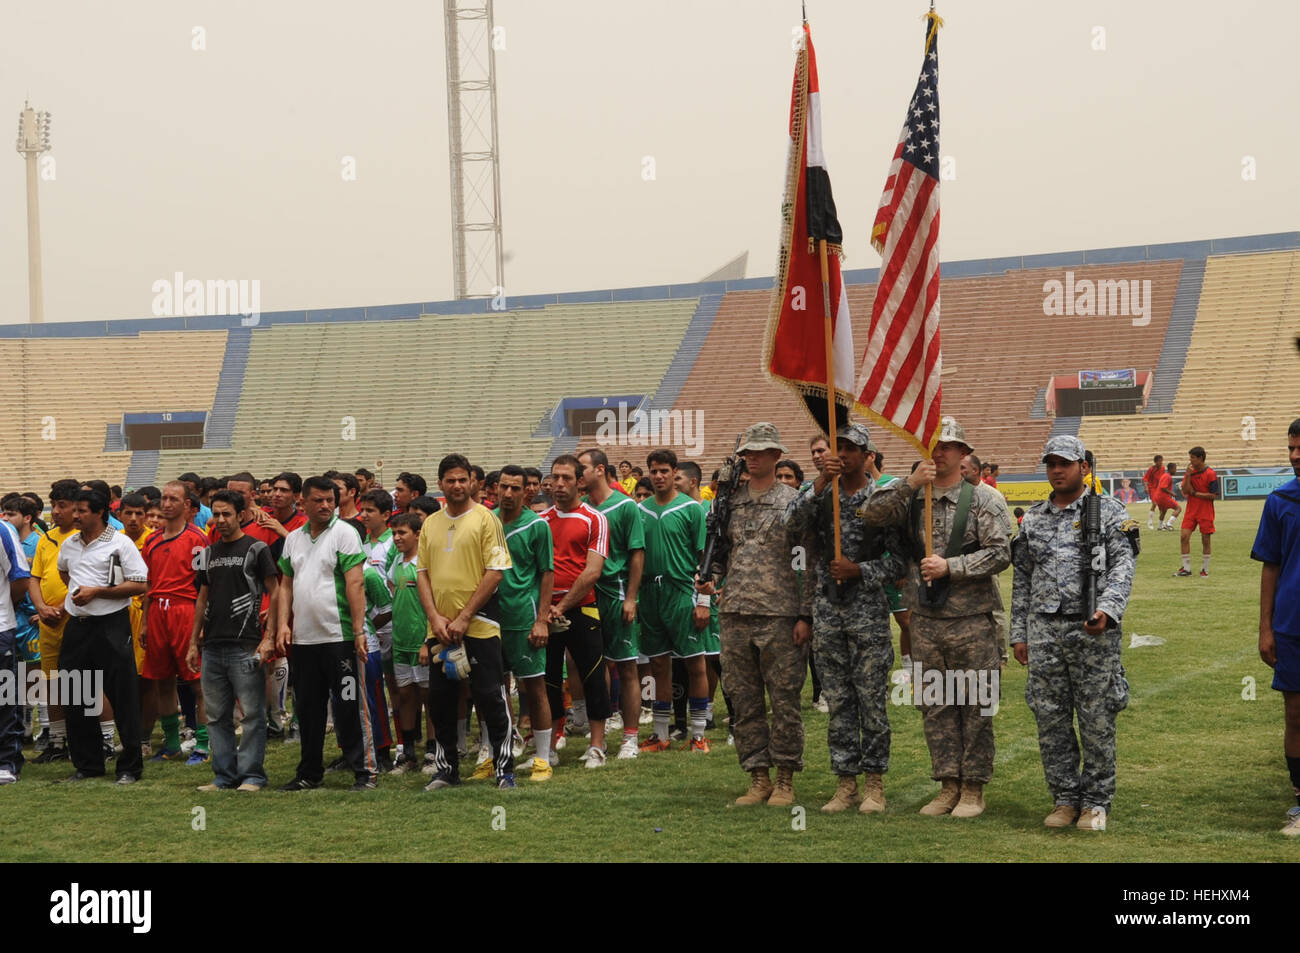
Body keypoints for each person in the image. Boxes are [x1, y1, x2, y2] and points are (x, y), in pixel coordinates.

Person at [858, 416, 1012, 818]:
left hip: (971, 619)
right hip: (924, 620)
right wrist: (909, 484)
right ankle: (947, 785)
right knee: (935, 704)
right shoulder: (912, 498)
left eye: (946, 446)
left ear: (963, 453)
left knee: (975, 704)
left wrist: (952, 567)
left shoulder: (983, 499)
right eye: (931, 446)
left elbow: (1001, 553)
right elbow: (869, 513)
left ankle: (973, 788)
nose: (938, 453)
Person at [1012, 436, 1137, 832]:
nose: (1056, 470)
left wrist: (1108, 609)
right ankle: (1065, 798)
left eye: (1064, 463)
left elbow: (1123, 566)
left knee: (1096, 717)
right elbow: (1022, 579)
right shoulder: (1033, 519)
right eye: (1050, 463)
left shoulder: (1109, 512)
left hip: (1092, 630)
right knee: (1050, 719)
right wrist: (1019, 633)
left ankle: (1096, 801)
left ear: (1084, 467)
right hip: (1044, 631)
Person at [788, 423, 906, 815]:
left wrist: (860, 570)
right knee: (838, 700)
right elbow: (791, 524)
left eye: (851, 448)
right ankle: (845, 782)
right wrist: (821, 481)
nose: (842, 454)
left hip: (867, 611)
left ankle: (874, 782)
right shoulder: (821, 495)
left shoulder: (881, 500)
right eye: (837, 447)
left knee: (871, 699)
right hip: (827, 609)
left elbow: (899, 563)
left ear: (867, 455)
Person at [706, 423, 812, 806]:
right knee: (744, 699)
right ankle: (758, 776)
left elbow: (806, 562)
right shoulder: (730, 502)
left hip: (780, 613)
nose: (752, 457)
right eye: (748, 452)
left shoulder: (794, 502)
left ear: (776, 456)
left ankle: (784, 778)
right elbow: (721, 550)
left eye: (760, 451)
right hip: (735, 610)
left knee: (784, 700)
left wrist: (805, 615)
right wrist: (711, 577)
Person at [415, 454, 514, 790]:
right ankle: (446, 770)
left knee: (490, 696)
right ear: (440, 484)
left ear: (472, 481)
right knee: (440, 701)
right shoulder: (431, 523)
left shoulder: (486, 519)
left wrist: (464, 616)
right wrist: (434, 618)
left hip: (479, 624)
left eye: (462, 479)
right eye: (450, 480)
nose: (457, 486)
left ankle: (504, 769)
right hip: (440, 628)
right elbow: (422, 574)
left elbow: (495, 572)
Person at [274, 476, 375, 792]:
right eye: (318, 500)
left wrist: (358, 631)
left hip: (339, 639)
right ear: (302, 502)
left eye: (330, 500)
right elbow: (285, 585)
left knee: (349, 704)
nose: (326, 505)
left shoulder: (344, 533)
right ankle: (309, 772)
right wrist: (283, 624)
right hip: (305, 641)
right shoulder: (294, 539)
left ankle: (364, 771)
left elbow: (355, 582)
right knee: (308, 709)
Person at [187, 490, 279, 792]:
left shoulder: (257, 549)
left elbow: (275, 590)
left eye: (227, 514)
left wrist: (269, 636)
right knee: (216, 717)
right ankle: (224, 776)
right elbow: (201, 599)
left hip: (246, 644)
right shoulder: (207, 554)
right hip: (213, 646)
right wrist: (193, 642)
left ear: (241, 515)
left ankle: (252, 776)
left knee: (252, 715)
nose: (221, 520)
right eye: (216, 514)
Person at [54, 488, 148, 784]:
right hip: (78, 626)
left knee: (122, 694)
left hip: (111, 625)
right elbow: (65, 573)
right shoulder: (69, 544)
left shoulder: (120, 543)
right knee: (76, 693)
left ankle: (130, 766)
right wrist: (80, 593)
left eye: (81, 511)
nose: (75, 515)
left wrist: (98, 592)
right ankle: (88, 764)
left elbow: (140, 583)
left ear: (99, 512)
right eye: (74, 510)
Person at [539, 454, 613, 766]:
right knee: (548, 678)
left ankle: (597, 745)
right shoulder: (541, 521)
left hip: (581, 608)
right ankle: (549, 747)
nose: (558, 484)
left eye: (566, 478)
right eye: (554, 477)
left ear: (579, 482)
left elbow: (593, 571)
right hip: (545, 612)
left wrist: (561, 606)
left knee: (592, 674)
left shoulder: (595, 519)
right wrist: (545, 609)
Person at [636, 448, 709, 755]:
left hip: (681, 591)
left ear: (674, 472)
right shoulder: (640, 510)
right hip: (650, 594)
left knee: (694, 663)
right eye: (654, 471)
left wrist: (703, 600)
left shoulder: (691, 509)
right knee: (658, 664)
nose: (659, 476)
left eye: (664, 471)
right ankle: (661, 733)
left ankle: (699, 734)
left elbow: (705, 557)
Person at [578, 448, 645, 760]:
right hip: (588, 596)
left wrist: (631, 597)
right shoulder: (581, 508)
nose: (578, 474)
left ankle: (631, 737)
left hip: (616, 594)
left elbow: (637, 553)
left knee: (627, 666)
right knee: (595, 667)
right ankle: (599, 738)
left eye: (582, 468)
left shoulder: (625, 506)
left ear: (600, 470)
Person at [1251, 418, 1300, 835]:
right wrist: (1265, 628)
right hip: (1292, 625)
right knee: (1296, 714)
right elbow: (1271, 565)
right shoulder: (1280, 500)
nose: (1295, 456)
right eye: (1291, 448)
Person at [140, 482, 211, 764]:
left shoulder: (198, 539)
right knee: (163, 681)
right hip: (158, 610)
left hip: (186, 610)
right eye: (164, 498)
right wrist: (145, 622)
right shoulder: (152, 541)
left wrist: (201, 623)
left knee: (198, 682)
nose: (167, 504)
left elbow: (206, 585)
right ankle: (171, 745)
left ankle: (203, 745)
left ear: (186, 505)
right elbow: (148, 583)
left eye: (173, 499)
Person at [495, 466, 555, 779]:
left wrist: (542, 620)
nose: (508, 494)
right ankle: (499, 752)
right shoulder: (486, 521)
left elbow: (547, 573)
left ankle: (542, 758)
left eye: (515, 488)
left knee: (534, 686)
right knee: (493, 687)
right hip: (490, 617)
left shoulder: (537, 526)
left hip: (523, 615)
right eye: (503, 487)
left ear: (525, 491)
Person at [28, 480, 80, 763]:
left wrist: (60, 607)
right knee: (52, 683)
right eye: (54, 505)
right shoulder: (45, 539)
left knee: (83, 681)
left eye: (62, 506)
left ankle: (100, 740)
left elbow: (87, 578)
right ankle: (58, 742)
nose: (55, 511)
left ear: (76, 508)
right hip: (47, 622)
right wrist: (41, 606)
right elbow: (34, 578)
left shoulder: (83, 537)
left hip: (74, 618)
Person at [386, 512, 429, 775]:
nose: (396, 538)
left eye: (402, 533)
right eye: (394, 533)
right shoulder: (397, 562)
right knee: (405, 696)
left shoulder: (425, 563)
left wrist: (427, 640)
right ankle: (409, 754)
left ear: (418, 534)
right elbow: (393, 589)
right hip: (400, 642)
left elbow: (432, 603)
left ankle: (433, 753)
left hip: (420, 643)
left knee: (428, 697)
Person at [0, 515, 32, 785]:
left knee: (4, 696)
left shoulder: (3, 531)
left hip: (0, 628)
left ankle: (6, 761)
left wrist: (4, 608)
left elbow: (21, 579)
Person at [1175, 446, 1218, 577]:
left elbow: (1213, 495)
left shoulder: (1210, 473)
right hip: (1191, 510)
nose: (1190, 460)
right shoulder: (1190, 472)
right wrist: (1188, 475)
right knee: (1184, 537)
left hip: (1205, 510)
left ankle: (1204, 569)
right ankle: (1186, 569)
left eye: (1193, 458)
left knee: (1205, 539)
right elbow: (1185, 491)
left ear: (1200, 458)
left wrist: (1195, 493)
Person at [1152, 462, 1181, 530]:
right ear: (1171, 469)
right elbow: (1163, 487)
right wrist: (1172, 493)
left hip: (1159, 497)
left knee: (1163, 511)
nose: (1175, 470)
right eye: (1175, 469)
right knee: (1178, 508)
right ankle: (1169, 524)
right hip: (1164, 497)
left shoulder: (1164, 475)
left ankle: (1160, 526)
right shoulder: (1168, 476)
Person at [1142, 455, 1164, 529]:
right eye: (1159, 461)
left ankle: (1161, 522)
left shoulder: (1163, 468)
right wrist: (1146, 487)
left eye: (1162, 461)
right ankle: (1150, 522)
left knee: (1161, 506)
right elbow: (1145, 478)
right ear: (1155, 462)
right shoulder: (1151, 469)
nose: (1161, 462)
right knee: (1154, 504)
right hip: (1152, 488)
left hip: (1160, 489)